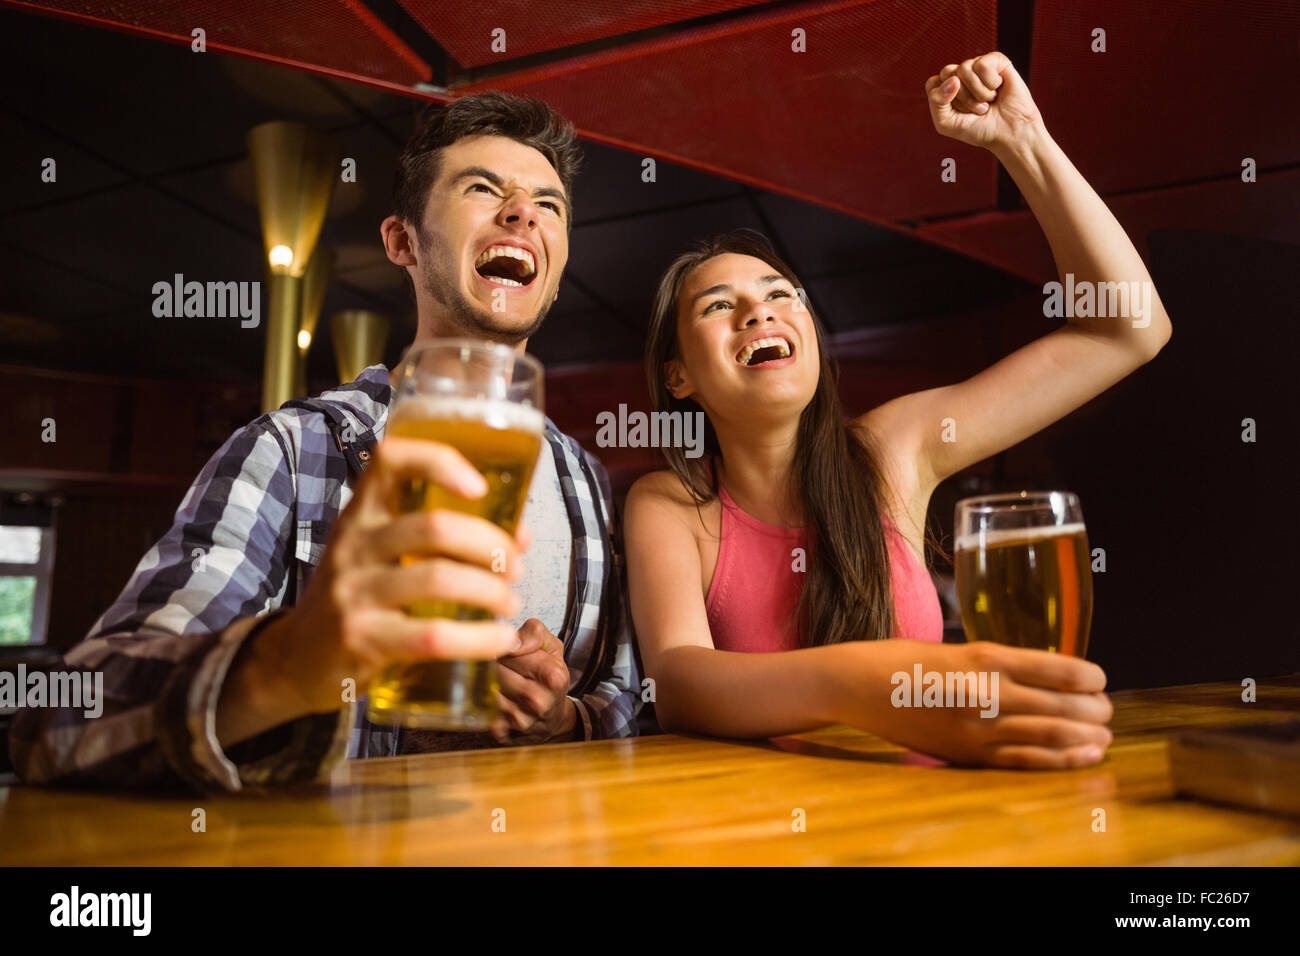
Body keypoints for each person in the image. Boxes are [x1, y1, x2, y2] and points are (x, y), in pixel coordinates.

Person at [11, 92, 640, 791]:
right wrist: (293, 662)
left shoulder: (583, 476)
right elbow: (58, 725)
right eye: (482, 189)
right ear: (402, 241)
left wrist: (564, 721)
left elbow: (629, 697)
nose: (522, 211)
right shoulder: (292, 447)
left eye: (548, 204)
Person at [624, 52, 1172, 769]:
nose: (761, 309)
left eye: (782, 293)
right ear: (679, 376)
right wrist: (863, 684)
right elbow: (678, 682)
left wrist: (1024, 142)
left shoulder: (895, 448)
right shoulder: (670, 504)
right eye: (720, 305)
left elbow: (1128, 329)